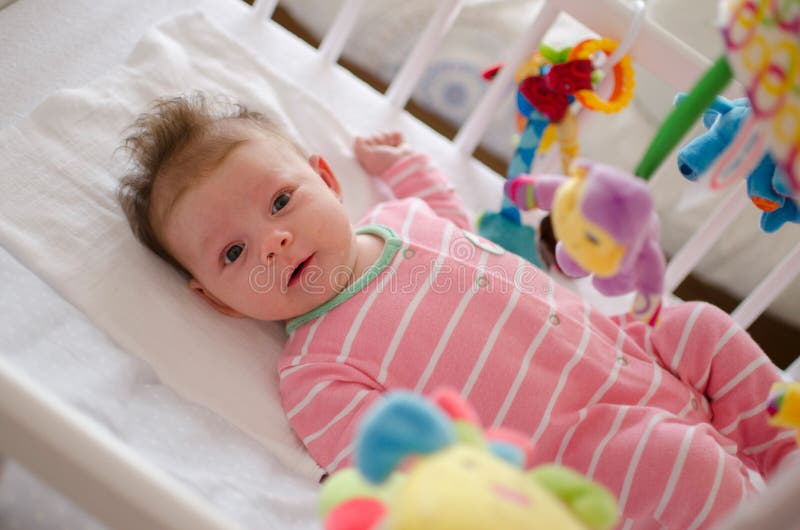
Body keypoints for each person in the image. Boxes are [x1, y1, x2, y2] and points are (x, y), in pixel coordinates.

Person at [118, 93, 799, 530]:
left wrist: (405, 164)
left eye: (280, 203)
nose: (274, 242)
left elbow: (452, 218)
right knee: (684, 464)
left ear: (326, 181)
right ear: (216, 299)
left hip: (625, 347)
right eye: (234, 253)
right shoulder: (315, 369)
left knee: (701, 327)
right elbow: (391, 464)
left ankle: (783, 455)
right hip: (579, 446)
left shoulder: (399, 216)